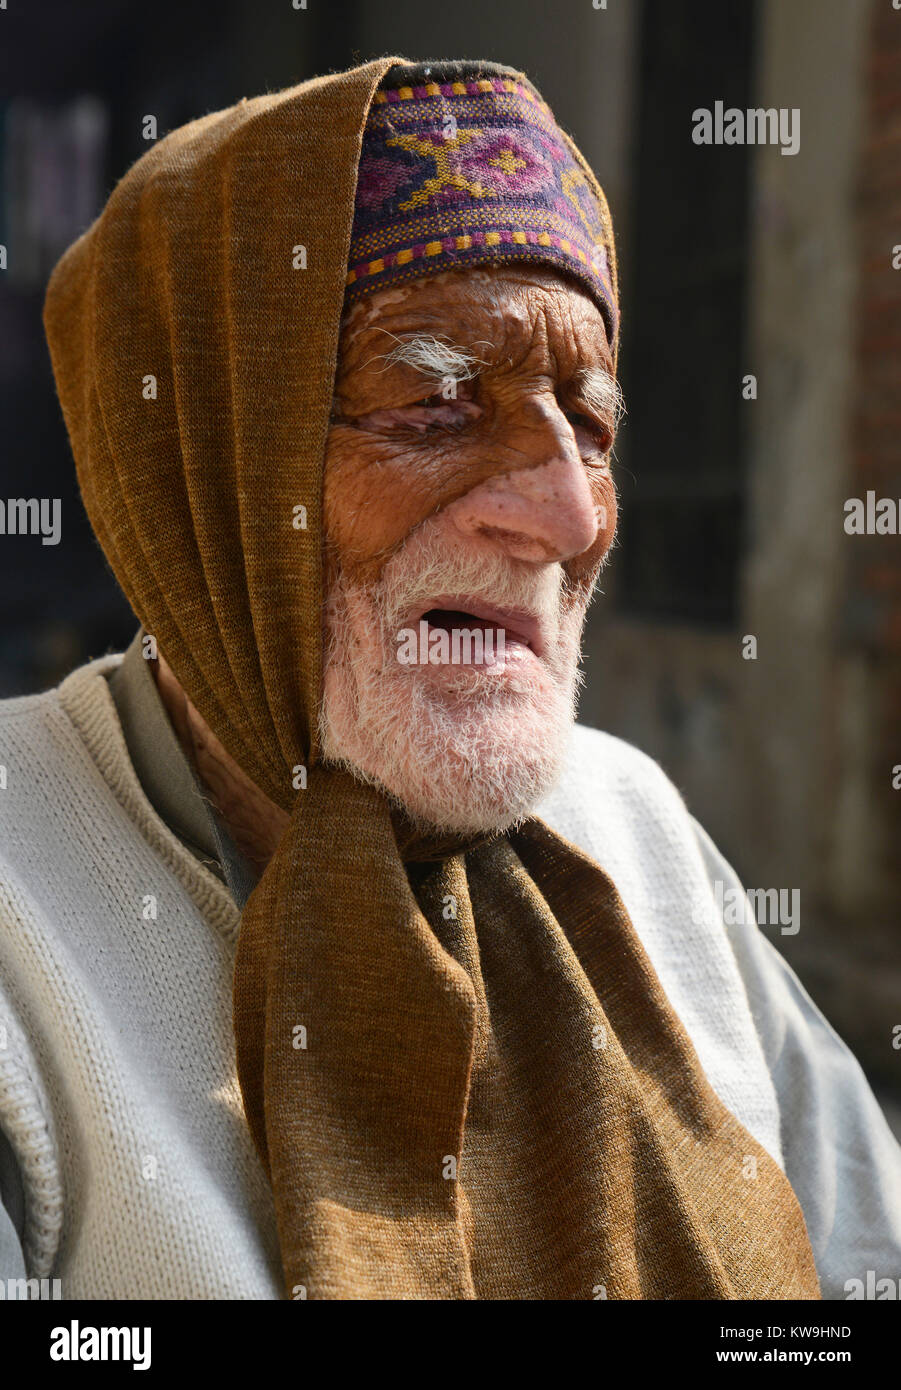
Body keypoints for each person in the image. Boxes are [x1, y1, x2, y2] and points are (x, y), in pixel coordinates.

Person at [0, 56, 898, 1301]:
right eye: (433, 405)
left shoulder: (632, 830)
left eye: (588, 422)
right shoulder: (21, 895)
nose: (569, 512)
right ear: (198, 468)